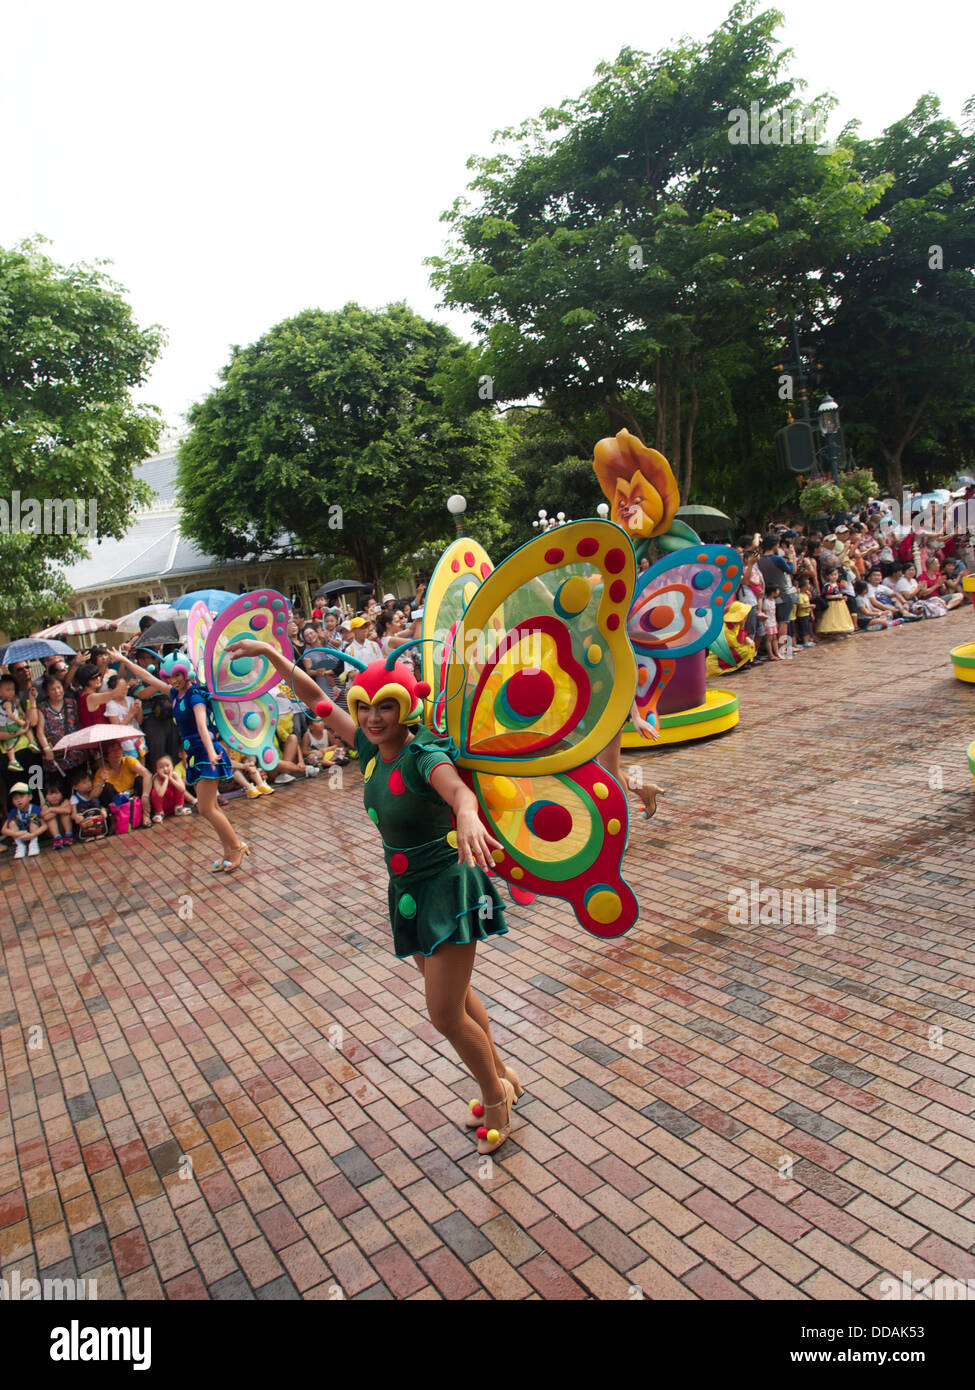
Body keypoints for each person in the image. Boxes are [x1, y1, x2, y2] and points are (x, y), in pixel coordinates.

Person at [226, 638, 522, 1155]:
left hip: (449, 888)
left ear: (406, 707)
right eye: (365, 707)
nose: (372, 717)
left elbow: (457, 791)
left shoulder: (422, 755)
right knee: (455, 997)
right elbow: (316, 696)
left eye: (385, 706)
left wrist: (469, 813)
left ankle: (496, 1098)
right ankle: (500, 1073)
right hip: (408, 893)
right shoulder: (369, 749)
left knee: (445, 1014)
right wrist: (270, 653)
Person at [110, 649, 246, 871]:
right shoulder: (175, 693)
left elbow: (202, 725)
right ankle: (229, 851)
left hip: (205, 752)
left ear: (186, 673)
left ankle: (237, 847)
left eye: (177, 675)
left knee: (206, 808)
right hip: (195, 753)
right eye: (170, 677)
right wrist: (124, 660)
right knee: (210, 807)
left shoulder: (195, 695)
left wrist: (211, 752)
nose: (173, 680)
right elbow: (148, 678)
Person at [1, 673, 33, 771]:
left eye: (12, 689)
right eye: (8, 689)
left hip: (28, 749)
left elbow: (32, 722)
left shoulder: (14, 703)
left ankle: (32, 742)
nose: (11, 692)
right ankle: (13, 761)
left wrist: (32, 701)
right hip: (10, 752)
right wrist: (18, 732)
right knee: (18, 786)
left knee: (37, 783)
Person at [150, 754, 195, 821]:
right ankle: (159, 813)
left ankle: (179, 809)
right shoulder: (156, 778)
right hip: (163, 804)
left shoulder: (174, 774)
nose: (165, 769)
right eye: (161, 767)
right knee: (154, 792)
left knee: (180, 784)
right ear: (157, 770)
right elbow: (160, 794)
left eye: (167, 766)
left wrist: (171, 779)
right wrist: (166, 779)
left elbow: (182, 789)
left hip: (173, 802)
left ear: (172, 766)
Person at [40, 779, 74, 848]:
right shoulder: (46, 806)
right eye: (50, 794)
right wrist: (59, 810)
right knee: (51, 818)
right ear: (46, 797)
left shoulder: (65, 801)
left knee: (64, 814)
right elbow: (46, 817)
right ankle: (57, 838)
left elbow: (68, 810)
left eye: (57, 793)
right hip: (52, 831)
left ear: (62, 794)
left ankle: (68, 835)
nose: (54, 796)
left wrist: (52, 809)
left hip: (65, 828)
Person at [759, 583, 782, 659]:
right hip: (768, 622)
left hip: (773, 621)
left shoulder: (773, 600)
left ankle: (777, 652)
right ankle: (771, 654)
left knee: (775, 637)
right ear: (772, 592)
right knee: (769, 638)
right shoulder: (766, 602)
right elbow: (765, 612)